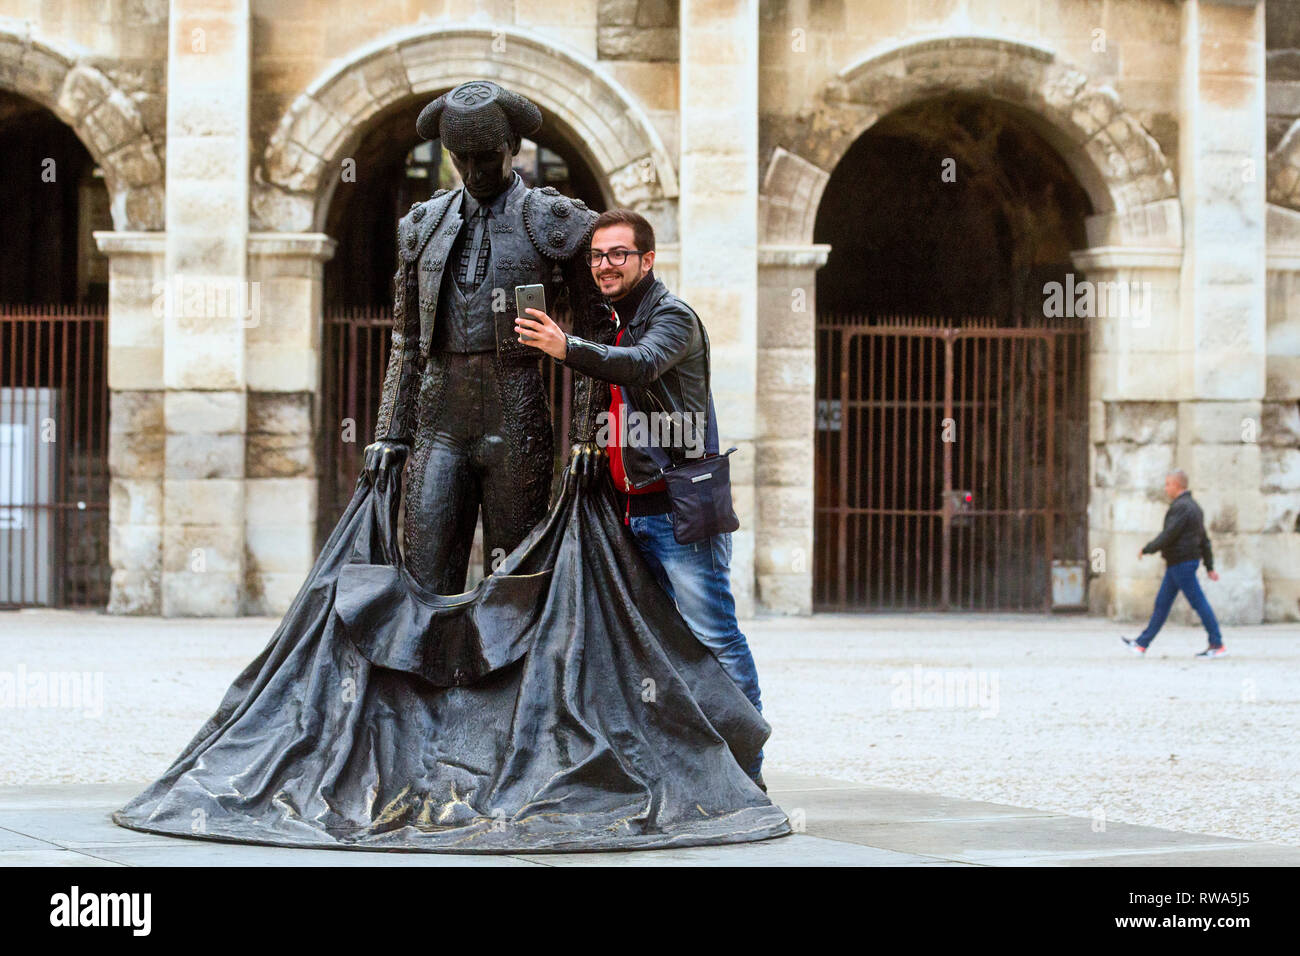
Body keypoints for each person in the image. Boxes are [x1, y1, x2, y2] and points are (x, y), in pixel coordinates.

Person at [110, 84, 788, 854]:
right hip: (437, 418)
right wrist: (388, 434)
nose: (476, 166)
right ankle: (410, 762)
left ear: (514, 151)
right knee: (422, 580)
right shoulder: (424, 224)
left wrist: (584, 439)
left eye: (488, 154)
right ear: (451, 157)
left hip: (519, 417)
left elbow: (598, 330)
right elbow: (406, 340)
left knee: (518, 590)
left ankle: (518, 750)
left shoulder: (555, 222)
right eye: (463, 156)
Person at [515, 208, 769, 790]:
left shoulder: (671, 318)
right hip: (631, 512)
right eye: (597, 256)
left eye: (618, 255)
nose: (605, 265)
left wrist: (565, 346)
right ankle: (679, 768)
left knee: (714, 635)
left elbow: (640, 367)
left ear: (647, 260)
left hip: (679, 510)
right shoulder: (615, 319)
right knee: (652, 646)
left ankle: (746, 768)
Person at [1121, 469, 1226, 658]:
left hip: (1182, 562)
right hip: (1179, 563)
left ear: (1178, 485)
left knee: (1199, 603)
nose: (1165, 488)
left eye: (1168, 484)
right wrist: (1209, 566)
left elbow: (1169, 534)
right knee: (1162, 603)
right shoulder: (1194, 507)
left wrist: (1148, 549)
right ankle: (1142, 644)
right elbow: (1204, 540)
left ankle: (1217, 643)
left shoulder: (1182, 507)